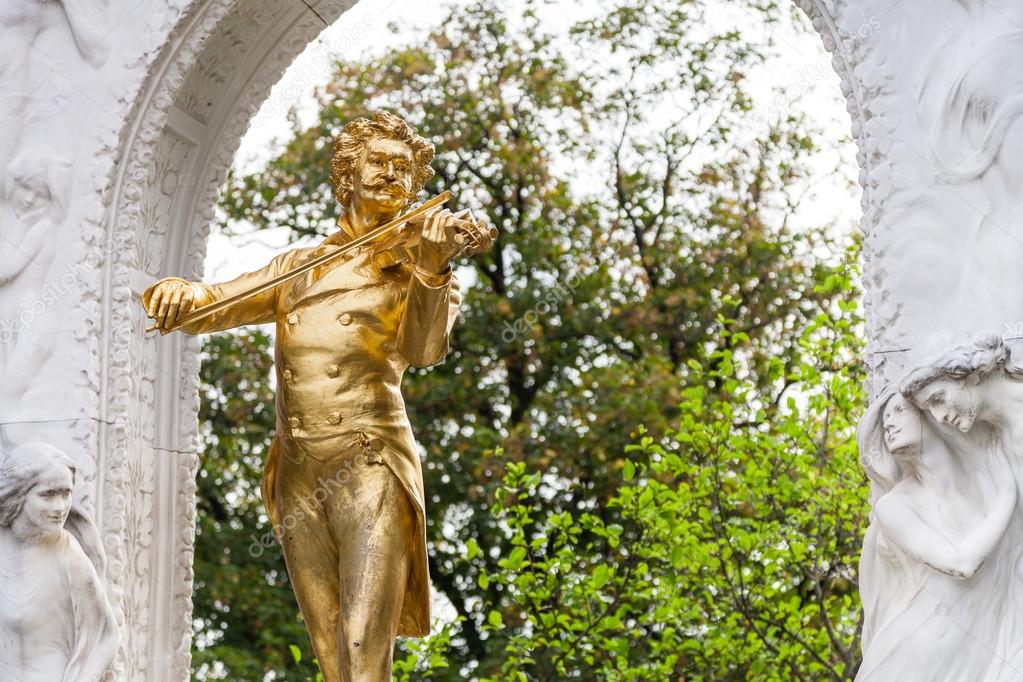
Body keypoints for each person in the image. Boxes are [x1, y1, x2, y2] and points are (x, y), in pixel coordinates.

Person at [142, 111, 496, 681]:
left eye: (403, 169)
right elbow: (217, 303)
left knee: (362, 642)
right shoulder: (299, 268)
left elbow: (425, 352)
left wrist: (432, 268)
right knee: (330, 648)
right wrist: (180, 291)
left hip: (370, 456)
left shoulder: (421, 267)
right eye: (378, 163)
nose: (391, 176)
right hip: (299, 468)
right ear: (348, 175)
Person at [856, 386, 1020, 680]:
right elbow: (962, 564)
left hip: (977, 649)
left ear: (931, 414)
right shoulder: (894, 506)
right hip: (918, 656)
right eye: (884, 420)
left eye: (898, 411)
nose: (889, 423)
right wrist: (1008, 495)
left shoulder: (984, 480)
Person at [0, 442, 118, 682]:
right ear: (17, 495)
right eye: (48, 495)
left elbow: (106, 637)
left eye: (66, 494)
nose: (60, 507)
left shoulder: (68, 556)